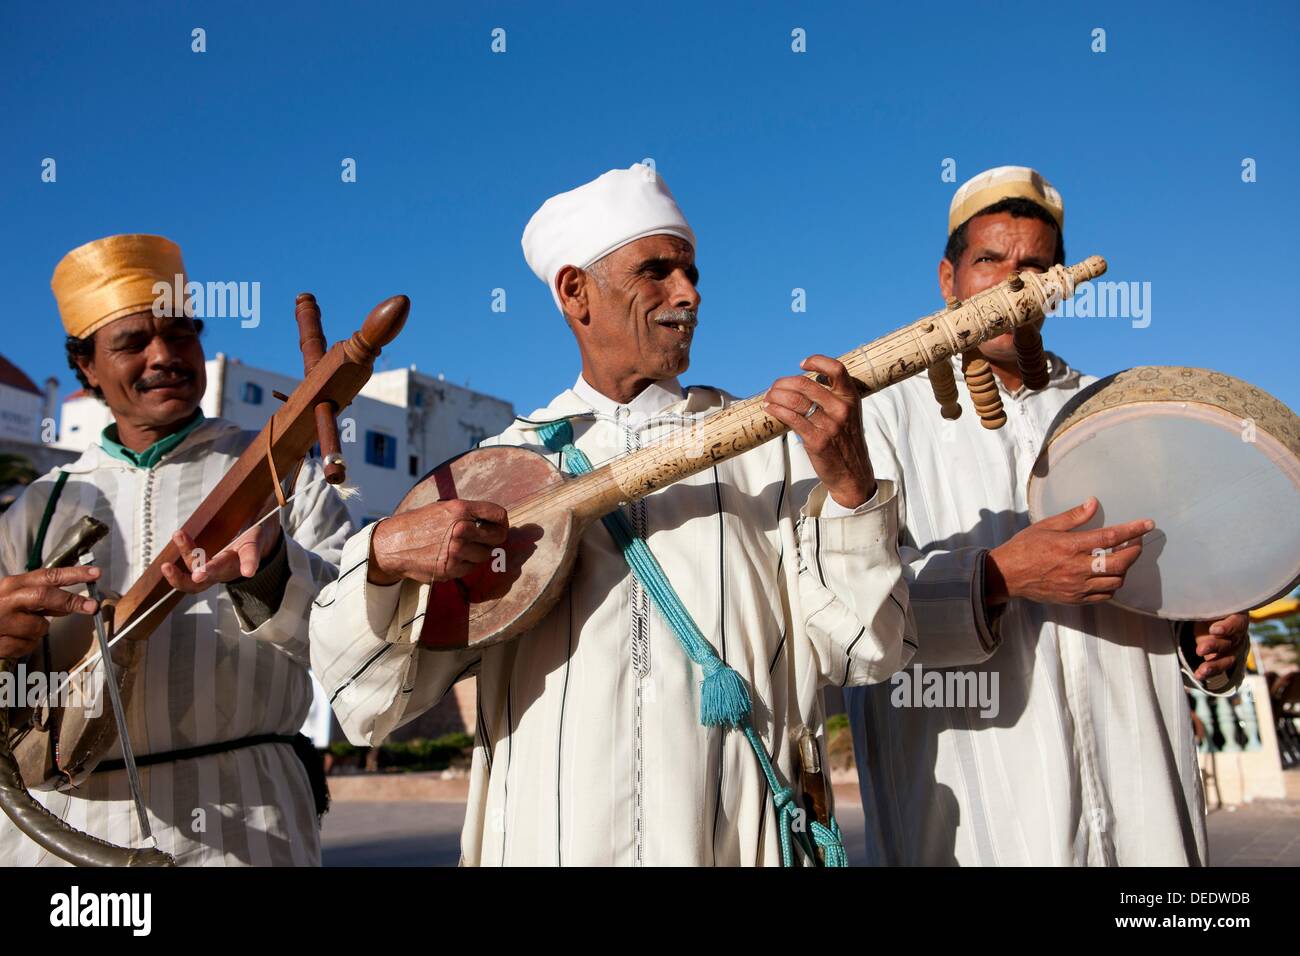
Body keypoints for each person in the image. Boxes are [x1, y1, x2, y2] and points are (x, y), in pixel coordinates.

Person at [311, 164, 915, 866]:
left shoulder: (773, 454)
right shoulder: (495, 474)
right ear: (575, 292)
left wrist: (849, 488)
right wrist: (382, 559)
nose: (687, 294)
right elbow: (368, 705)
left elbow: (869, 653)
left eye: (691, 273)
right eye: (656, 271)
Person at [844, 166, 1250, 866]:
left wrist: (1203, 639)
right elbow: (846, 615)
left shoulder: (1120, 411)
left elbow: (1167, 578)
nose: (1012, 282)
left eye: (1034, 265)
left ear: (1061, 282)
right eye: (989, 260)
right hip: (974, 832)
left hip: (1143, 814)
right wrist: (996, 577)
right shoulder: (876, 418)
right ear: (948, 279)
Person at [0, 234, 352, 865]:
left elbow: (359, 631)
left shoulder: (280, 464)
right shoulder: (39, 505)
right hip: (60, 832)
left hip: (249, 821)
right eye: (133, 343)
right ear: (86, 366)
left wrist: (272, 569)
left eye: (181, 333)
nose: (164, 355)